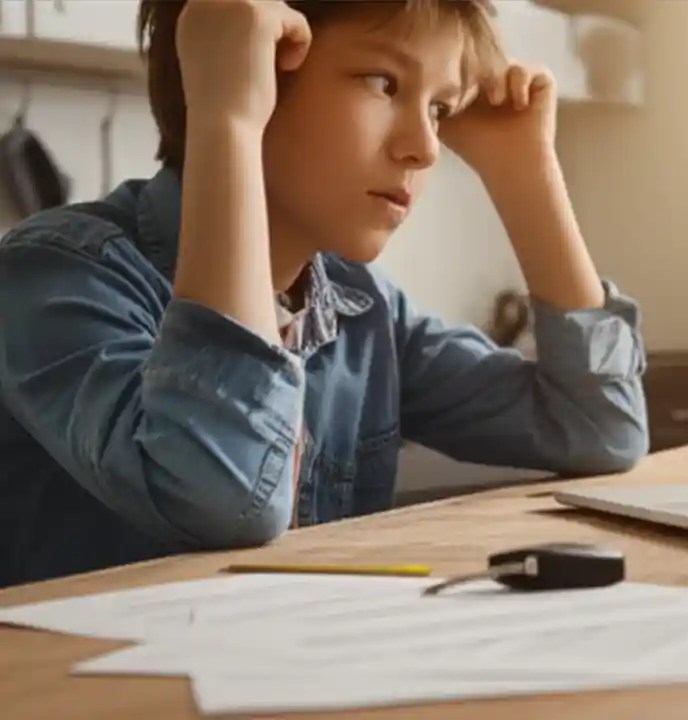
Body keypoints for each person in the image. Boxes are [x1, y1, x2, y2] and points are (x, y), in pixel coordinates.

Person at [0, 0, 649, 587]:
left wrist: (527, 171)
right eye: (384, 83)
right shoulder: (54, 275)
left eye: (440, 109)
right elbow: (225, 503)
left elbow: (601, 428)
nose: (426, 148)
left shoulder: (360, 306)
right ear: (248, 66)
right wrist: (224, 119)